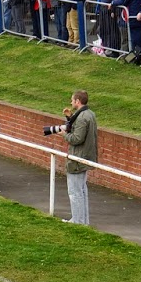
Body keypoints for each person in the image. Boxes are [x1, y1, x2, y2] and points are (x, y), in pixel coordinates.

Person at [46, 91, 97, 224]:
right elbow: (78, 129)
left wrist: (63, 134)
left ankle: (78, 221)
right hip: (85, 156)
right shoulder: (89, 114)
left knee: (75, 192)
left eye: (72, 100)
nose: (71, 102)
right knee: (82, 191)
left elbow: (76, 138)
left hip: (78, 158)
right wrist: (69, 117)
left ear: (78, 101)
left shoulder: (82, 117)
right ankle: (83, 221)